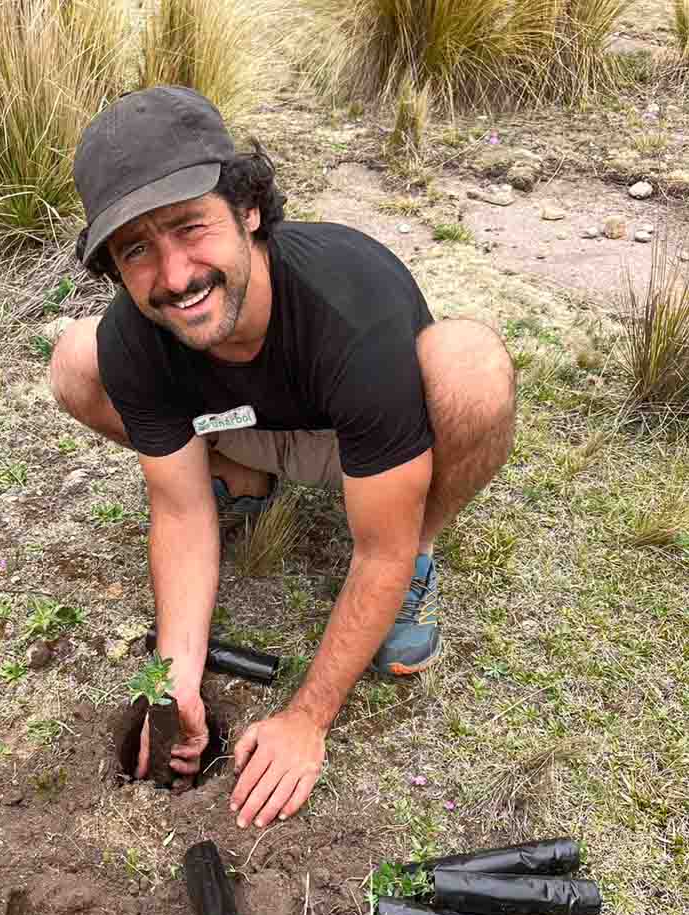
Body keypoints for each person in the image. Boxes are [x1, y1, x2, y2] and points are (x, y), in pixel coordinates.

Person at [51, 86, 515, 831]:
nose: (175, 276)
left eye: (190, 227)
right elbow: (179, 513)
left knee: (472, 366)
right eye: (136, 249)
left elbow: (376, 549)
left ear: (248, 209)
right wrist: (174, 679)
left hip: (363, 442)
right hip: (244, 429)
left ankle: (423, 559)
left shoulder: (348, 301)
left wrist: (307, 717)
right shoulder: (138, 333)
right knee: (77, 359)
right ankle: (242, 479)